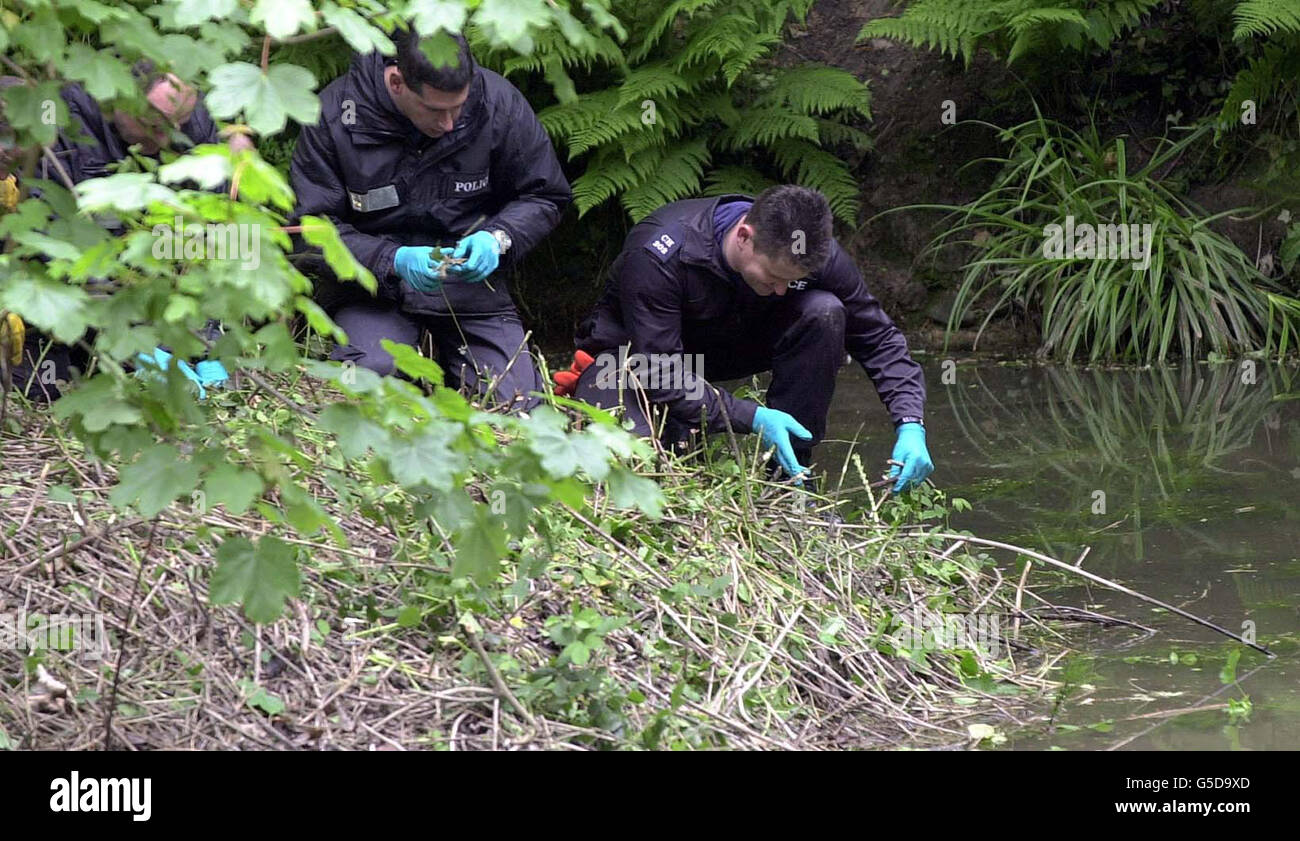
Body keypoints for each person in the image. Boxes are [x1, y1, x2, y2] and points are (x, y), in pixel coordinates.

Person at [562, 185, 935, 492]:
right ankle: (676, 436)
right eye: (774, 278)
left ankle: (789, 483)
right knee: (635, 464)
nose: (780, 290)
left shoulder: (814, 255)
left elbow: (878, 338)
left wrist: (910, 422)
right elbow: (658, 370)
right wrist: (752, 416)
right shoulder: (660, 251)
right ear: (744, 237)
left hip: (728, 348)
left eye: (791, 282)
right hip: (634, 359)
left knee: (825, 312)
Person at [290, 29, 571, 411]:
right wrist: (393, 261)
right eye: (436, 111)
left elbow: (545, 194)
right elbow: (308, 231)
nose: (450, 123)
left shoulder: (497, 103)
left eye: (459, 107)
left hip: (469, 286)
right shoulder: (335, 115)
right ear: (396, 82)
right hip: (372, 290)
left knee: (516, 405)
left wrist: (498, 237)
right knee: (370, 389)